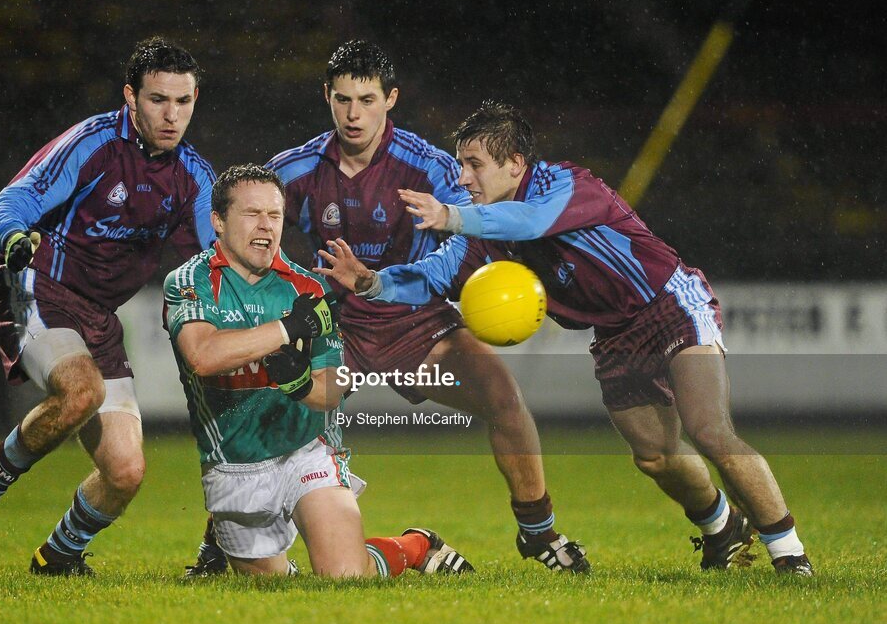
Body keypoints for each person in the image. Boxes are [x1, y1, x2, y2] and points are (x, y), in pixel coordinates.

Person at [318, 101, 813, 576]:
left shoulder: (567, 184)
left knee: (708, 430)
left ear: (515, 164)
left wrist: (450, 214)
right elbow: (434, 273)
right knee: (655, 455)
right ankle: (722, 527)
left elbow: (530, 221)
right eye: (459, 165)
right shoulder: (487, 230)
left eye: (473, 164)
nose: (463, 178)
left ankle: (790, 554)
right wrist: (372, 282)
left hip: (668, 304)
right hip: (615, 334)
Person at [191, 40, 588, 575]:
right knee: (267, 410)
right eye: (343, 100)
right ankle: (219, 540)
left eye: (368, 100)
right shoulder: (296, 170)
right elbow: (246, 227)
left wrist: (396, 282)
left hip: (417, 324)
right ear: (327, 99)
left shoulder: (429, 167)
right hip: (337, 326)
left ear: (390, 99)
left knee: (504, 399)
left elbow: (469, 235)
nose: (355, 114)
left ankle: (538, 534)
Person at [0, 36, 217, 576]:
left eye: (183, 102)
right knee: (81, 392)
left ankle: (58, 557)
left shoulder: (194, 178)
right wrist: (14, 235)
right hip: (39, 290)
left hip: (98, 320)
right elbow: (14, 198)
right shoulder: (91, 143)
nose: (171, 114)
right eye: (158, 99)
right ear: (130, 98)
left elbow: (215, 263)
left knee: (126, 472)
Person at [166, 163, 474, 578]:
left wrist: (297, 385)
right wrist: (287, 329)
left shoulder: (308, 289)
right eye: (252, 214)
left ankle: (415, 546)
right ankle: (239, 547)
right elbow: (202, 356)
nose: (266, 226)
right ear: (218, 221)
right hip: (232, 464)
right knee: (270, 584)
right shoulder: (190, 280)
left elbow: (330, 391)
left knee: (345, 575)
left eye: (274, 215)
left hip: (305, 451)